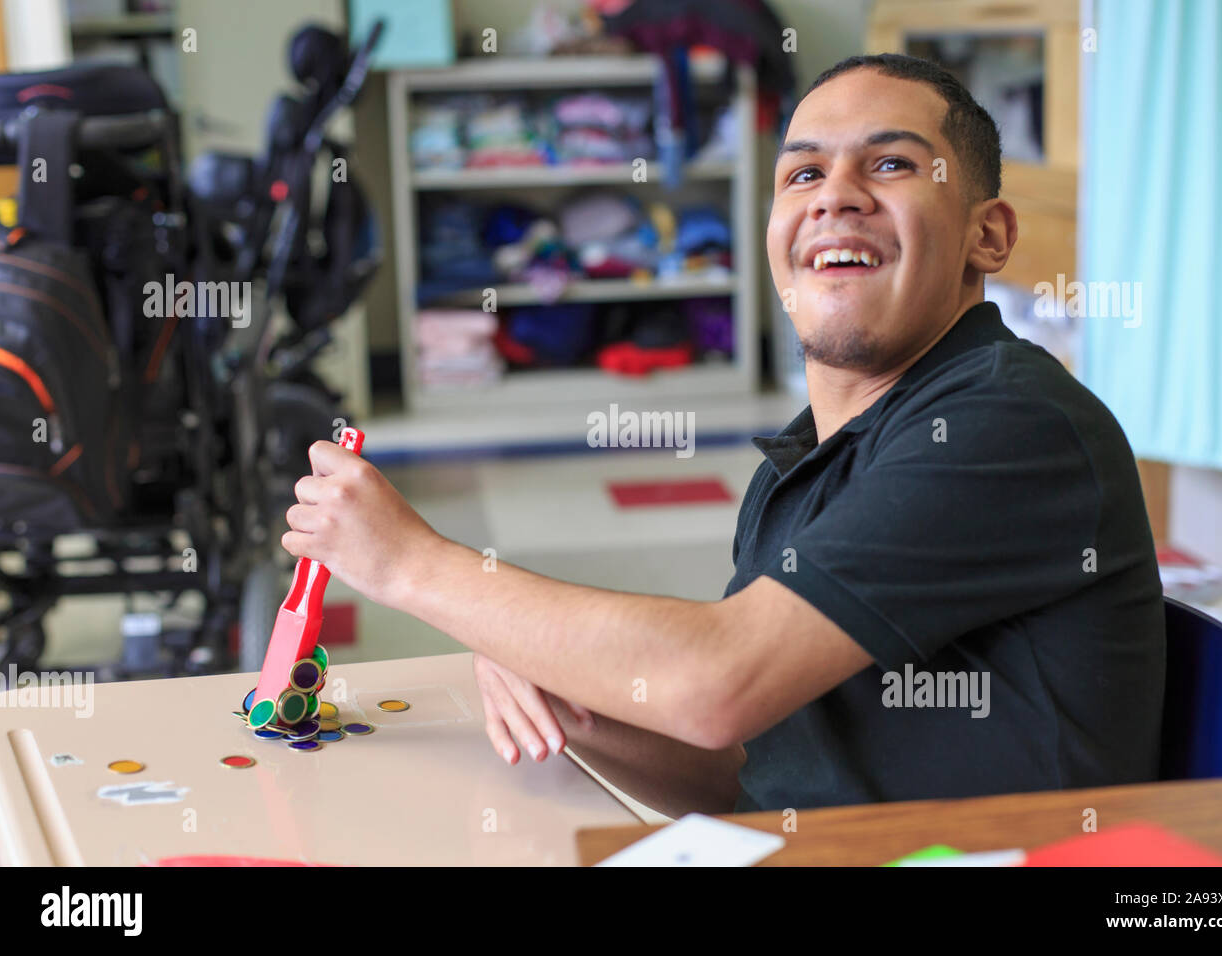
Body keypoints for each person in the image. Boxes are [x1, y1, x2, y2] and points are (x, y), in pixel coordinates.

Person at [282, 53, 1165, 815]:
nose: (836, 198)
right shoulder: (810, 450)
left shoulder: (1009, 422)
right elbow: (753, 767)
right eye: (803, 174)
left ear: (989, 235)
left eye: (892, 165)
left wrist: (410, 564)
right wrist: (579, 688)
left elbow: (715, 685)